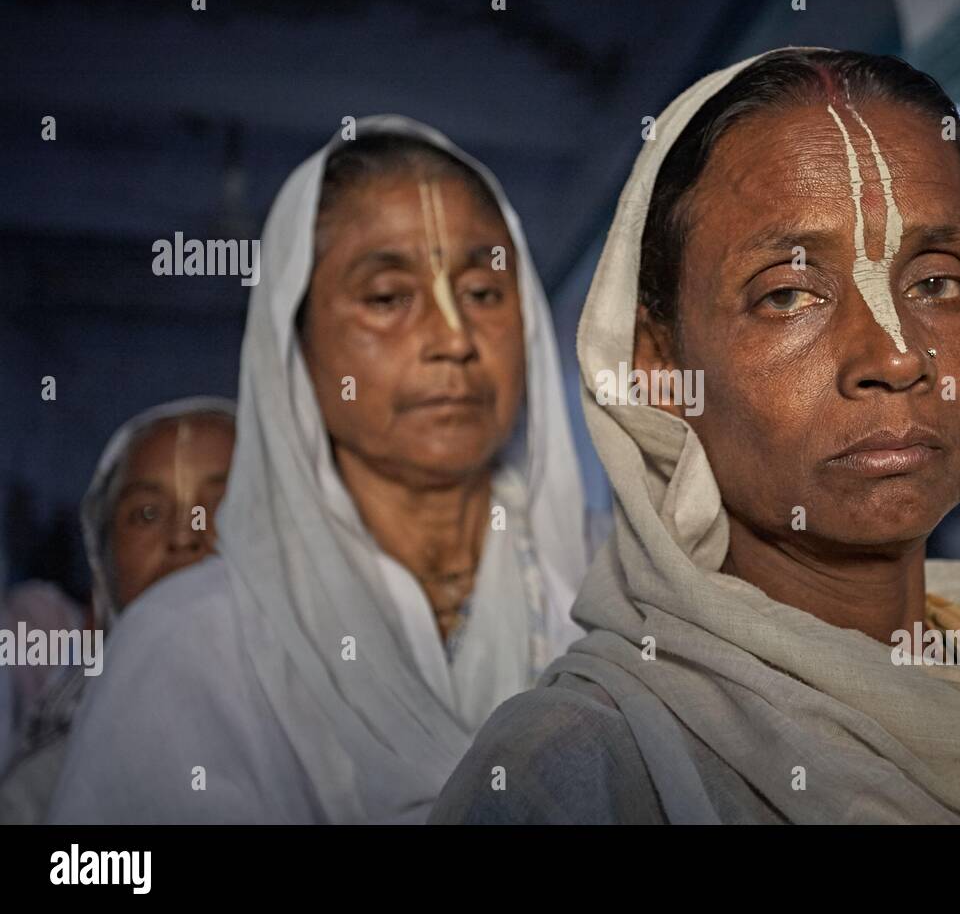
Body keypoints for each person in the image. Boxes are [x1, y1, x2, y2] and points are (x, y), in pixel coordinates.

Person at [430, 49, 960, 824]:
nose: (894, 354)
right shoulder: (580, 764)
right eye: (787, 294)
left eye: (936, 282)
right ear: (658, 370)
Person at [49, 117, 589, 823]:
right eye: (389, 297)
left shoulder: (616, 596)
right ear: (294, 348)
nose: (453, 340)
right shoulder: (190, 644)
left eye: (484, 294)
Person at [0, 398, 236, 823]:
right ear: (104, 574)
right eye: (147, 513)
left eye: (224, 506)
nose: (185, 535)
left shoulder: (357, 750)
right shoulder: (45, 790)